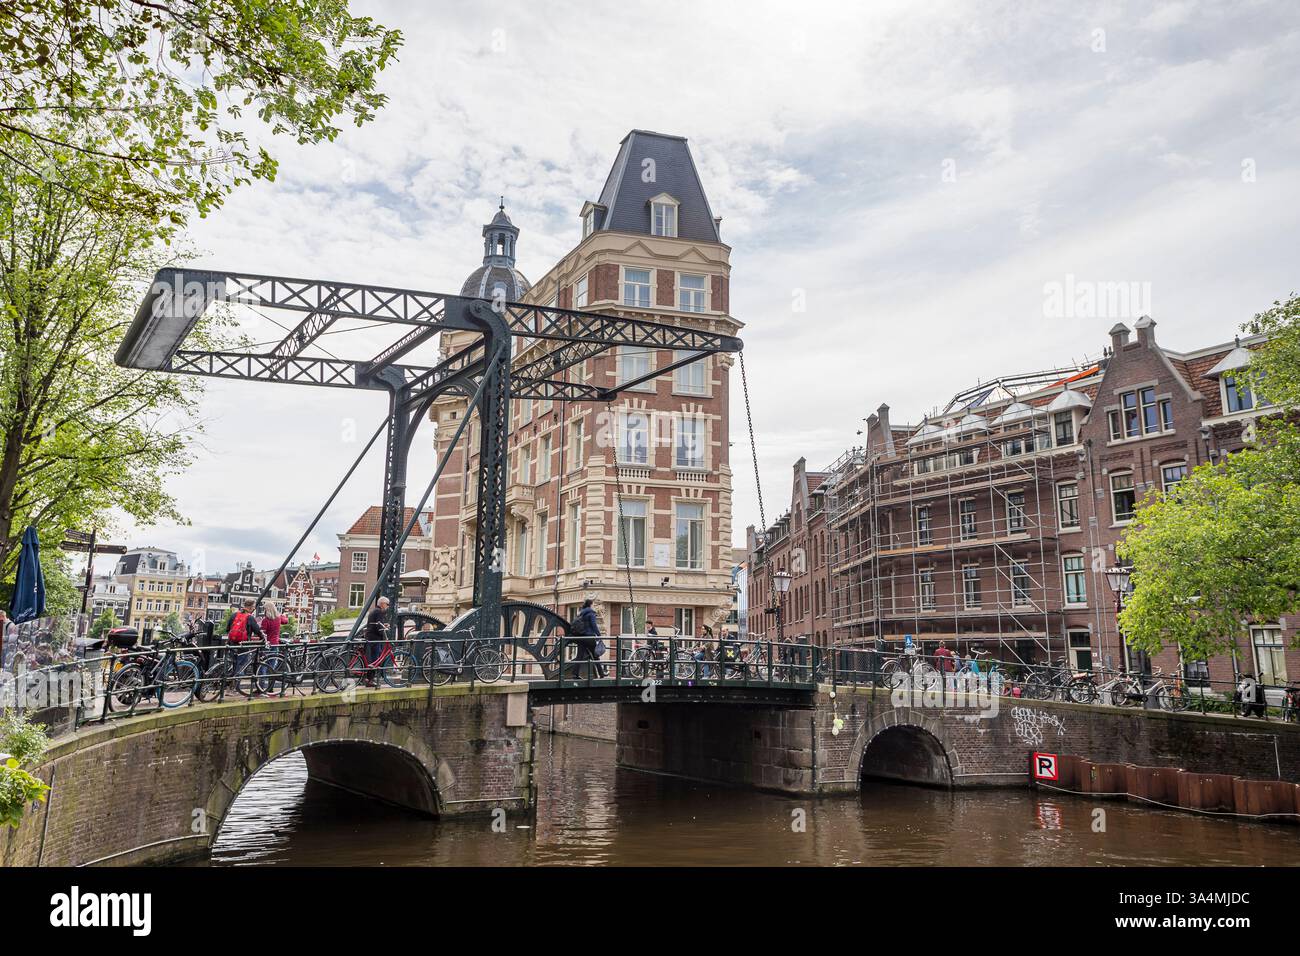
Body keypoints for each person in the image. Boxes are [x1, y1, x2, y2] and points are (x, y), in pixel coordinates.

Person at [226, 599, 265, 676]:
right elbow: (257, 630)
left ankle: (228, 682)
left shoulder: (234, 615)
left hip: (232, 643)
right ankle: (236, 685)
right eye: (253, 607)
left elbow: (227, 629)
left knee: (232, 663)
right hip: (243, 645)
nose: (254, 609)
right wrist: (263, 638)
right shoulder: (250, 617)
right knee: (241, 666)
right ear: (250, 607)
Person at [364, 597, 391, 686]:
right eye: (387, 604)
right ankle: (370, 680)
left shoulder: (374, 611)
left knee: (375, 657)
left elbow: (376, 623)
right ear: (383, 604)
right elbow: (378, 627)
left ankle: (369, 678)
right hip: (374, 638)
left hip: (371, 637)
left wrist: (384, 625)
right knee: (375, 659)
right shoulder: (379, 612)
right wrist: (384, 628)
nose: (388, 606)